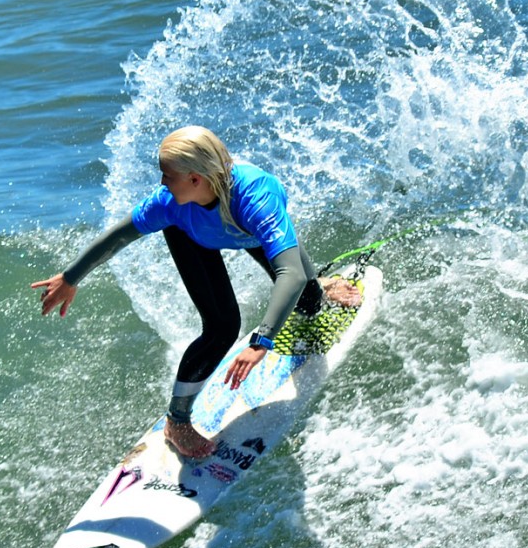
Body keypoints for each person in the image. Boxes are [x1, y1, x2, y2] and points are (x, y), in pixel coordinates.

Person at [32, 126, 357, 460]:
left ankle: (324, 285)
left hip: (248, 231)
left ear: (195, 179)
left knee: (308, 300)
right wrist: (71, 279)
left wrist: (263, 341)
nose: (161, 183)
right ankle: (178, 422)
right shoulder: (169, 204)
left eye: (168, 175)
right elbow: (118, 237)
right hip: (192, 234)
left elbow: (289, 272)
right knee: (222, 327)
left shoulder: (256, 197)